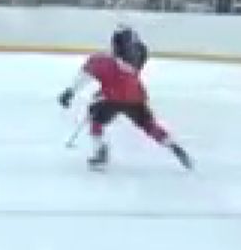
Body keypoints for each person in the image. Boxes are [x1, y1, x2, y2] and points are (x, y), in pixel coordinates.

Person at [58, 47, 191, 171]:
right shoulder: (132, 62)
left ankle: (101, 151)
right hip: (136, 97)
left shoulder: (99, 61)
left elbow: (84, 78)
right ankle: (172, 145)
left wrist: (69, 92)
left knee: (96, 120)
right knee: (149, 125)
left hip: (113, 99)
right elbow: (122, 82)